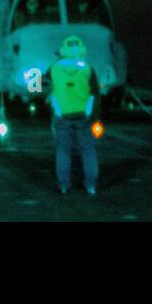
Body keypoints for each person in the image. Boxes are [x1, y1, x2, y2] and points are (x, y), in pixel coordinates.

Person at [45, 35, 100, 195]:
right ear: (82, 50)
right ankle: (90, 186)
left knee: (63, 150)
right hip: (84, 115)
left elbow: (37, 84)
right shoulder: (88, 68)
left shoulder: (54, 67)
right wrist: (95, 116)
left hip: (62, 115)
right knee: (88, 150)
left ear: (63, 50)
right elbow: (96, 93)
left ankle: (63, 185)